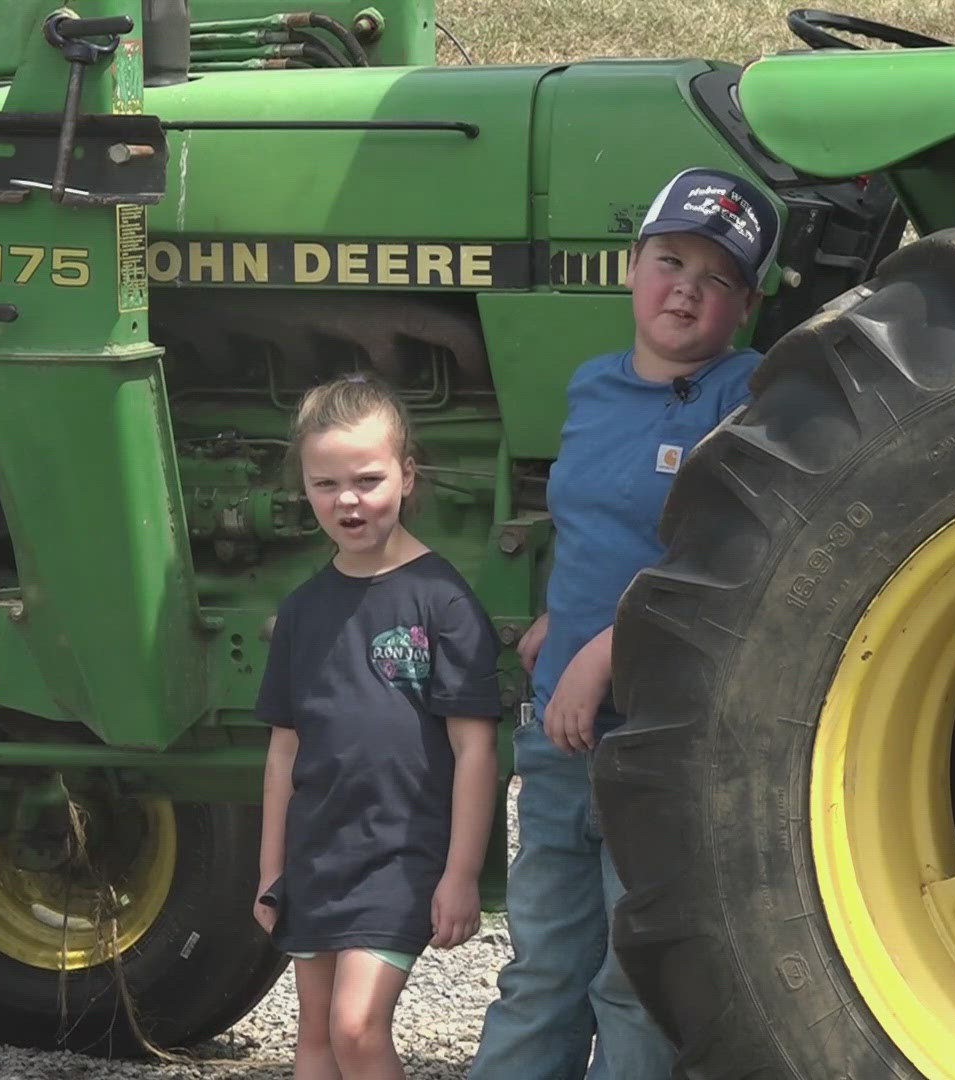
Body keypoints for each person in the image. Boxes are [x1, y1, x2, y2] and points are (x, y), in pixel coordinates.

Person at [470, 166, 780, 1080]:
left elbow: (729, 561)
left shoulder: (748, 395)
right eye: (669, 259)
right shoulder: (591, 388)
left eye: (716, 276)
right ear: (631, 266)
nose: (685, 286)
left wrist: (606, 648)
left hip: (660, 734)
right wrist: (554, 625)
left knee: (633, 984)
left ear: (747, 304)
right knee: (541, 973)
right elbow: (598, 525)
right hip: (559, 736)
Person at [253, 374, 503, 1080]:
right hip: (319, 853)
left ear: (408, 474)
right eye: (326, 483)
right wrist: (273, 869)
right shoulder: (303, 609)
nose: (348, 501)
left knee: (357, 1029)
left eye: (367, 479)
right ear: (304, 486)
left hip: (399, 857)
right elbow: (283, 751)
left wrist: (461, 875)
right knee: (314, 1044)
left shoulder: (443, 600)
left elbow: (476, 748)